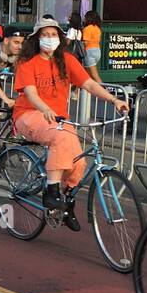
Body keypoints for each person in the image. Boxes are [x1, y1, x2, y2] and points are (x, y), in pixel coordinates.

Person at [12, 18, 128, 223]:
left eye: (54, 35)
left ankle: (67, 204)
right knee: (60, 138)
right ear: (37, 39)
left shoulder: (66, 60)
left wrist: (114, 100)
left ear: (60, 38)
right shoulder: (27, 62)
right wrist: (45, 108)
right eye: (45, 35)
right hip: (29, 114)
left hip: (58, 118)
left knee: (79, 162)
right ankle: (52, 192)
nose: (50, 39)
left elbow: (89, 84)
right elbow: (30, 93)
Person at [81, 11, 103, 79]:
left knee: (94, 75)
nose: (84, 19)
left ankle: (102, 89)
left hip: (89, 51)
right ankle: (86, 90)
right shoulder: (97, 28)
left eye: (85, 17)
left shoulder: (87, 29)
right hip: (97, 51)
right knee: (88, 76)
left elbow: (86, 42)